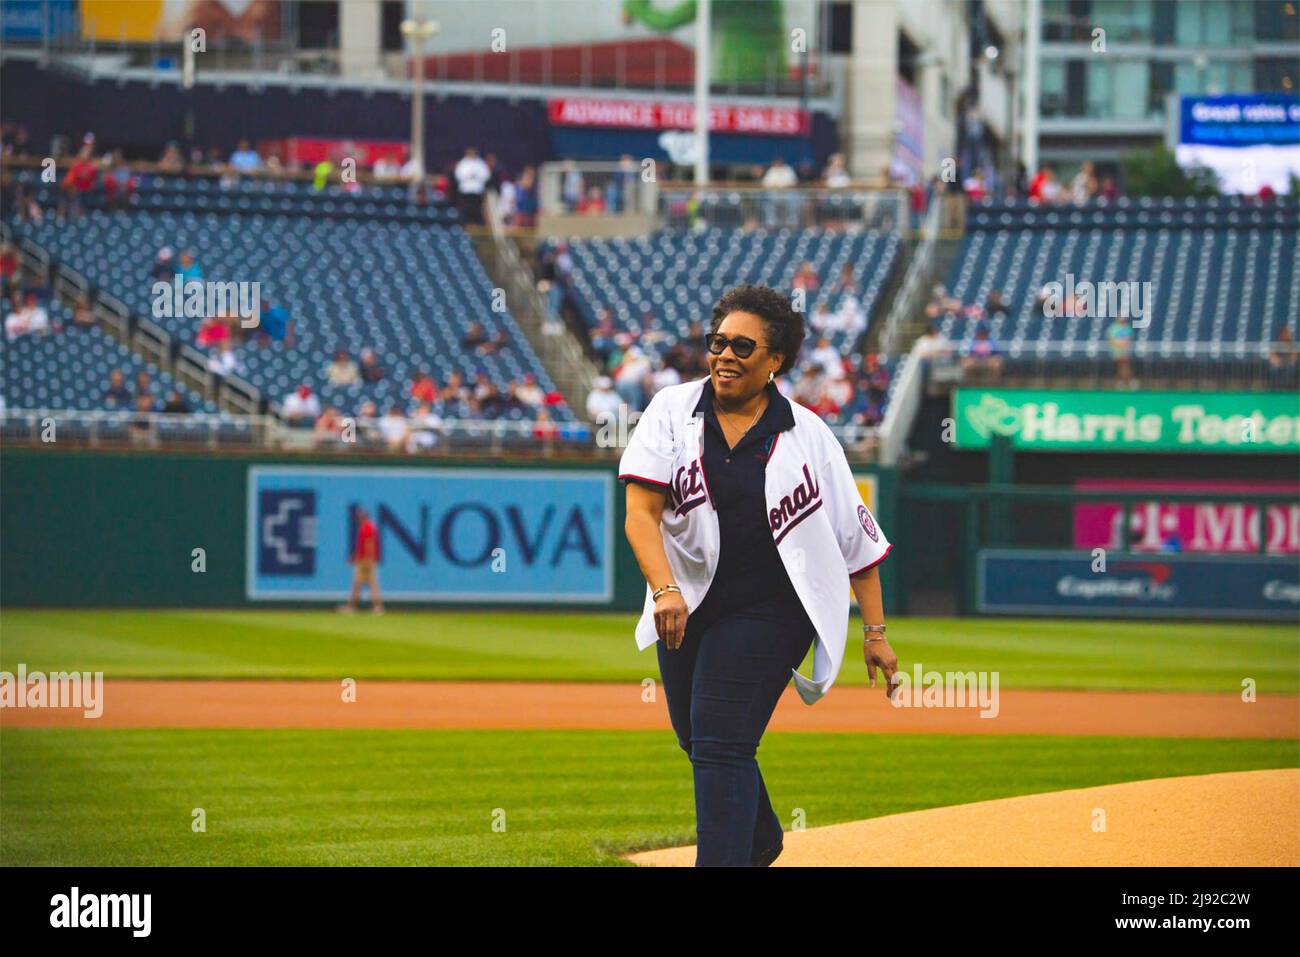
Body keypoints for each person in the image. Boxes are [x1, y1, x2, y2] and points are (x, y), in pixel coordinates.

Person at [619, 283, 897, 867]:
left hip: (774, 609)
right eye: (717, 341)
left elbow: (858, 543)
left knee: (721, 742)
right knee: (698, 739)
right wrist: (665, 589)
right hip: (691, 600)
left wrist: (875, 634)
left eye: (743, 346)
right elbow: (640, 516)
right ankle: (761, 839)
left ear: (776, 361)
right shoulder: (672, 410)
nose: (724, 354)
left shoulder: (809, 436)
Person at [339, 505, 384, 615]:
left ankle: (374, 607)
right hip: (364, 559)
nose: (358, 519)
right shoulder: (367, 527)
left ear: (364, 517)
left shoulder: (368, 527)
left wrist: (368, 558)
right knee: (360, 583)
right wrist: (354, 557)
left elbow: (370, 544)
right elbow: (361, 546)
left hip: (366, 560)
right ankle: (371, 607)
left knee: (368, 583)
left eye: (359, 517)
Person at [1107, 315, 1134, 384]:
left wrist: (1124, 345)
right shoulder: (1113, 328)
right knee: (1120, 367)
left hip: (1125, 351)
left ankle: (1127, 381)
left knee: (1125, 366)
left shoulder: (1127, 327)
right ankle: (1122, 381)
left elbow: (1129, 339)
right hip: (1117, 351)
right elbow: (1111, 339)